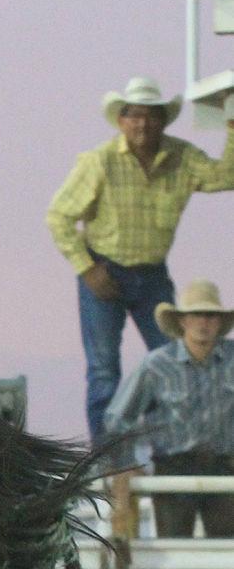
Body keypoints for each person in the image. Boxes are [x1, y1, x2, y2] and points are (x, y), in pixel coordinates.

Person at [46, 78, 234, 440]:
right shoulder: (100, 161)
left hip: (151, 274)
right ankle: (108, 463)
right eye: (134, 115)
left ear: (163, 120)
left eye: (150, 116)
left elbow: (226, 176)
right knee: (104, 370)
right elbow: (58, 216)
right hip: (104, 270)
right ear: (121, 120)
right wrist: (86, 268)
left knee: (174, 361)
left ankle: (180, 448)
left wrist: (232, 125)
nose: (142, 124)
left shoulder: (182, 157)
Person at [104, 279, 234, 569]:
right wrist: (128, 464)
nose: (203, 322)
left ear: (219, 322)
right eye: (196, 315)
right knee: (173, 560)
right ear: (182, 321)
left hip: (225, 468)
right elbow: (118, 417)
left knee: (228, 559)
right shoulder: (157, 365)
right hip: (174, 469)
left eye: (210, 315)